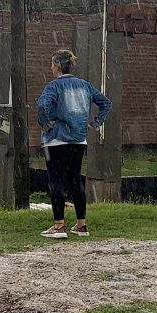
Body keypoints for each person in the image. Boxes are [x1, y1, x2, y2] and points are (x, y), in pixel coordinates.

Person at [36, 49, 112, 239]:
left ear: (58, 66)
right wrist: (96, 122)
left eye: (53, 64)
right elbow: (105, 103)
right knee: (75, 180)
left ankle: (59, 225)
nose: (51, 68)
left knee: (56, 181)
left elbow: (41, 105)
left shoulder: (54, 86)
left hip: (56, 140)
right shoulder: (84, 85)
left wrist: (45, 123)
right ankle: (81, 225)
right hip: (79, 140)